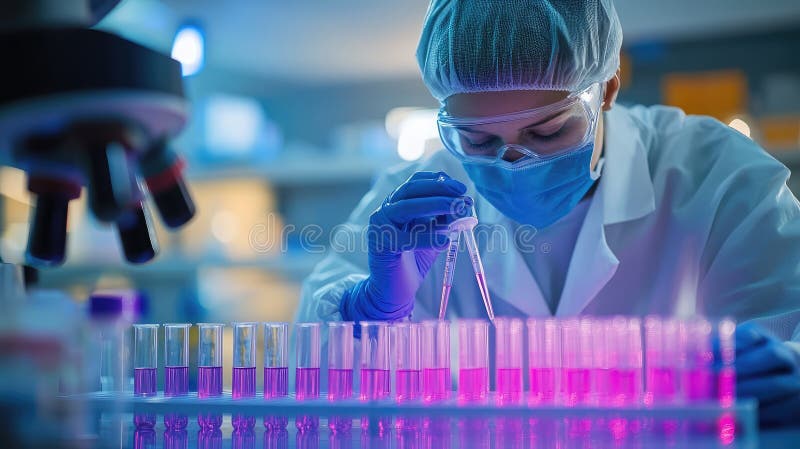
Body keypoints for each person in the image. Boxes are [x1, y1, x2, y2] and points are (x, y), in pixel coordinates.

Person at [298, 0, 800, 425]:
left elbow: (788, 335)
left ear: (606, 90)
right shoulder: (415, 199)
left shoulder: (716, 177)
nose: (515, 162)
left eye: (548, 132)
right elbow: (304, 370)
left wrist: (785, 371)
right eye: (478, 139)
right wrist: (371, 309)